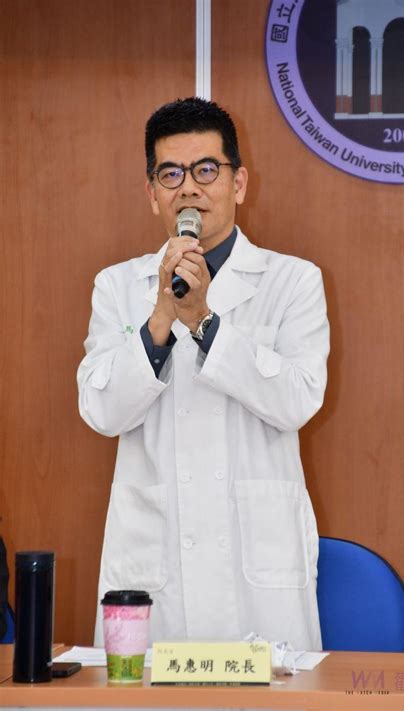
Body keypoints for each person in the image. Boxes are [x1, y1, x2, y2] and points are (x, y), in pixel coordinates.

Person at [77, 97, 330, 650]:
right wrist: (162, 318)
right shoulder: (118, 287)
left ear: (238, 183)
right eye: (170, 174)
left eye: (206, 170)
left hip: (256, 575)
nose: (188, 188)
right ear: (152, 193)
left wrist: (204, 322)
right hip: (155, 565)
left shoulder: (292, 281)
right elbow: (101, 412)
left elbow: (296, 400)